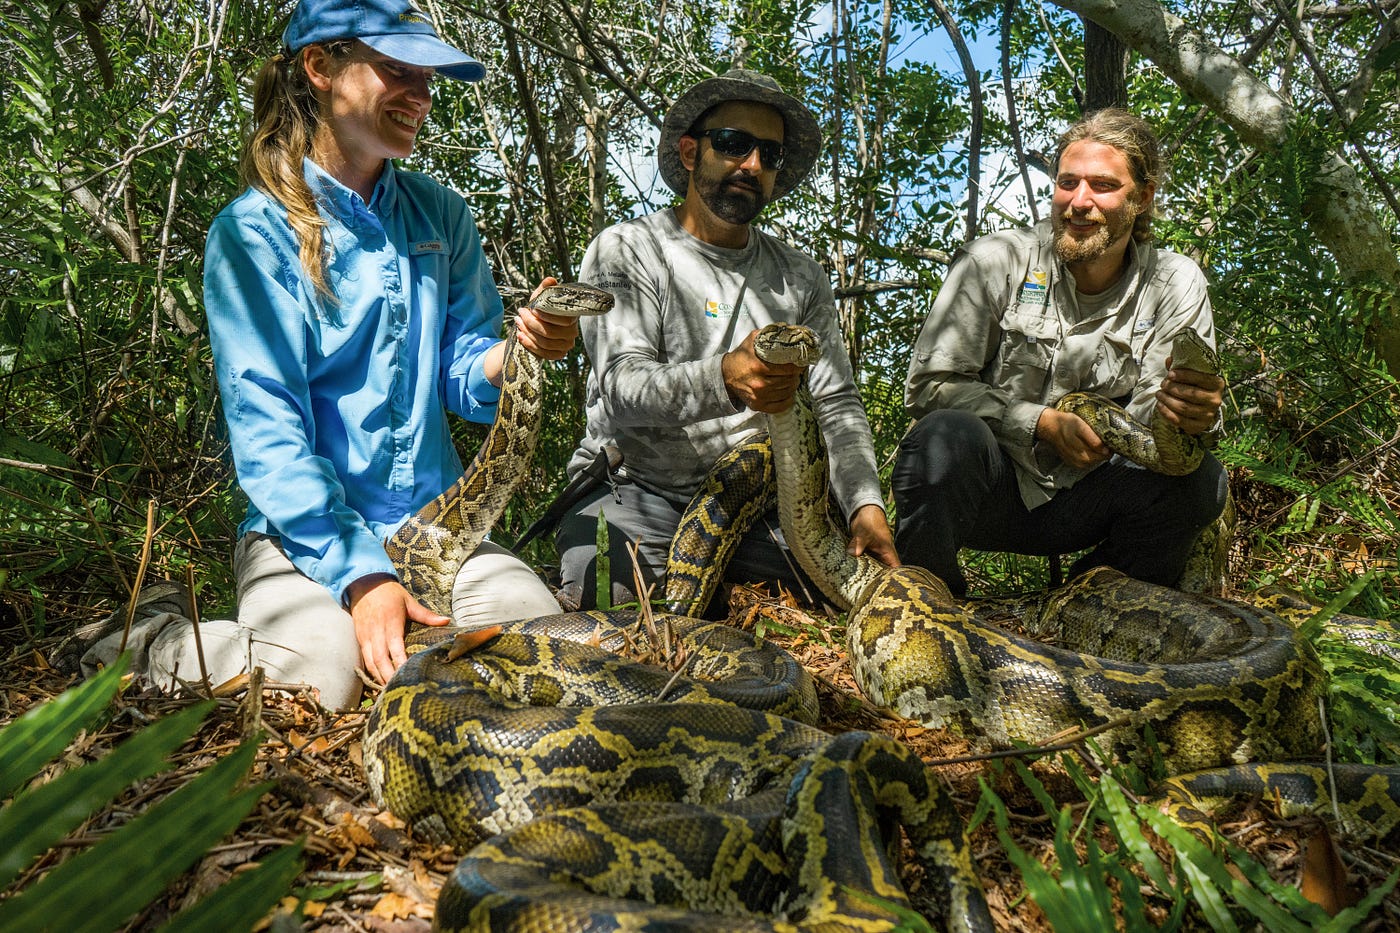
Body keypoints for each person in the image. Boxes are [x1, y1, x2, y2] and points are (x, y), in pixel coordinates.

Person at [80, 0, 577, 708]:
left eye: (428, 79)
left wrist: (519, 351)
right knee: (319, 676)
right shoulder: (251, 235)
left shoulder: (442, 216)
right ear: (319, 67)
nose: (420, 95)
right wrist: (365, 576)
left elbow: (465, 376)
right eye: (397, 70)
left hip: (437, 525)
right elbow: (268, 437)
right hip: (303, 536)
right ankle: (144, 635)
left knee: (545, 645)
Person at [554, 68, 898, 613]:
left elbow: (835, 401)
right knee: (609, 601)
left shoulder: (801, 276)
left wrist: (864, 504)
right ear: (690, 152)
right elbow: (621, 386)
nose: (753, 165)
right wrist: (725, 379)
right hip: (637, 488)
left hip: (759, 499)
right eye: (734, 143)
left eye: (770, 153)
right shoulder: (628, 249)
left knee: (845, 601)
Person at [892, 108, 1228, 596]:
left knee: (1202, 484)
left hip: (1092, 500)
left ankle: (1101, 598)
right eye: (1067, 182)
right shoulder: (994, 262)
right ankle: (925, 599)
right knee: (942, 435)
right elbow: (929, 385)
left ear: (1143, 197)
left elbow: (1166, 422)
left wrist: (1195, 416)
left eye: (1103, 185)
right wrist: (1041, 424)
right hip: (992, 489)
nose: (1079, 202)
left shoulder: (1174, 282)